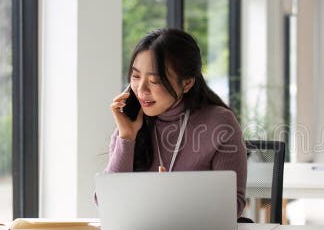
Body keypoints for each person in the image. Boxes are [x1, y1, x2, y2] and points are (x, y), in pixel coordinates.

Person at [104, 28, 247, 217]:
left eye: (154, 81)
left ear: (187, 83)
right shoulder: (131, 120)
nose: (141, 89)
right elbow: (106, 202)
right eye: (136, 76)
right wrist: (127, 137)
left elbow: (234, 205)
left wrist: (178, 193)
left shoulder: (219, 122)